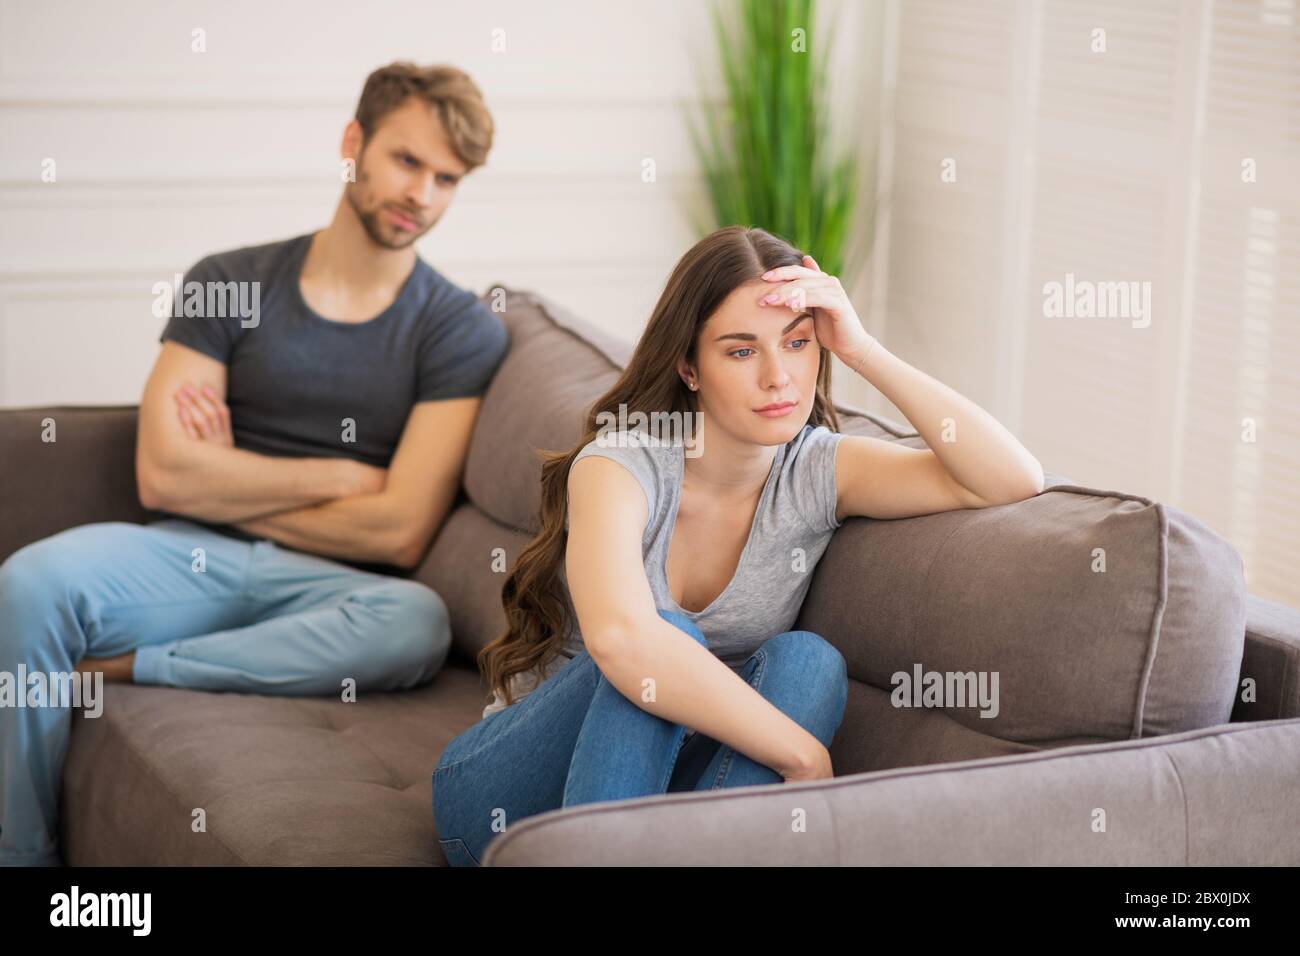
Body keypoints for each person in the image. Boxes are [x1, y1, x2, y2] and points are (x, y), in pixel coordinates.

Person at [0, 62, 509, 867]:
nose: (424, 195)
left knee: (416, 622)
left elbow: (402, 532)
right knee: (27, 583)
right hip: (183, 557)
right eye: (408, 162)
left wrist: (227, 472)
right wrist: (340, 478)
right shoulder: (226, 281)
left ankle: (128, 668)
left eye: (448, 179)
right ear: (354, 145)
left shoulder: (460, 330)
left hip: (332, 588)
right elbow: (162, 475)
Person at [430, 224, 1046, 866]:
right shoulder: (618, 466)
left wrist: (862, 348)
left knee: (809, 662)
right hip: (506, 804)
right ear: (689, 366)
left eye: (798, 342)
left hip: (672, 801)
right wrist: (801, 753)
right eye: (741, 351)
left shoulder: (815, 472)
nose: (779, 378)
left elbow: (1011, 478)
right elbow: (622, 641)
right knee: (661, 643)